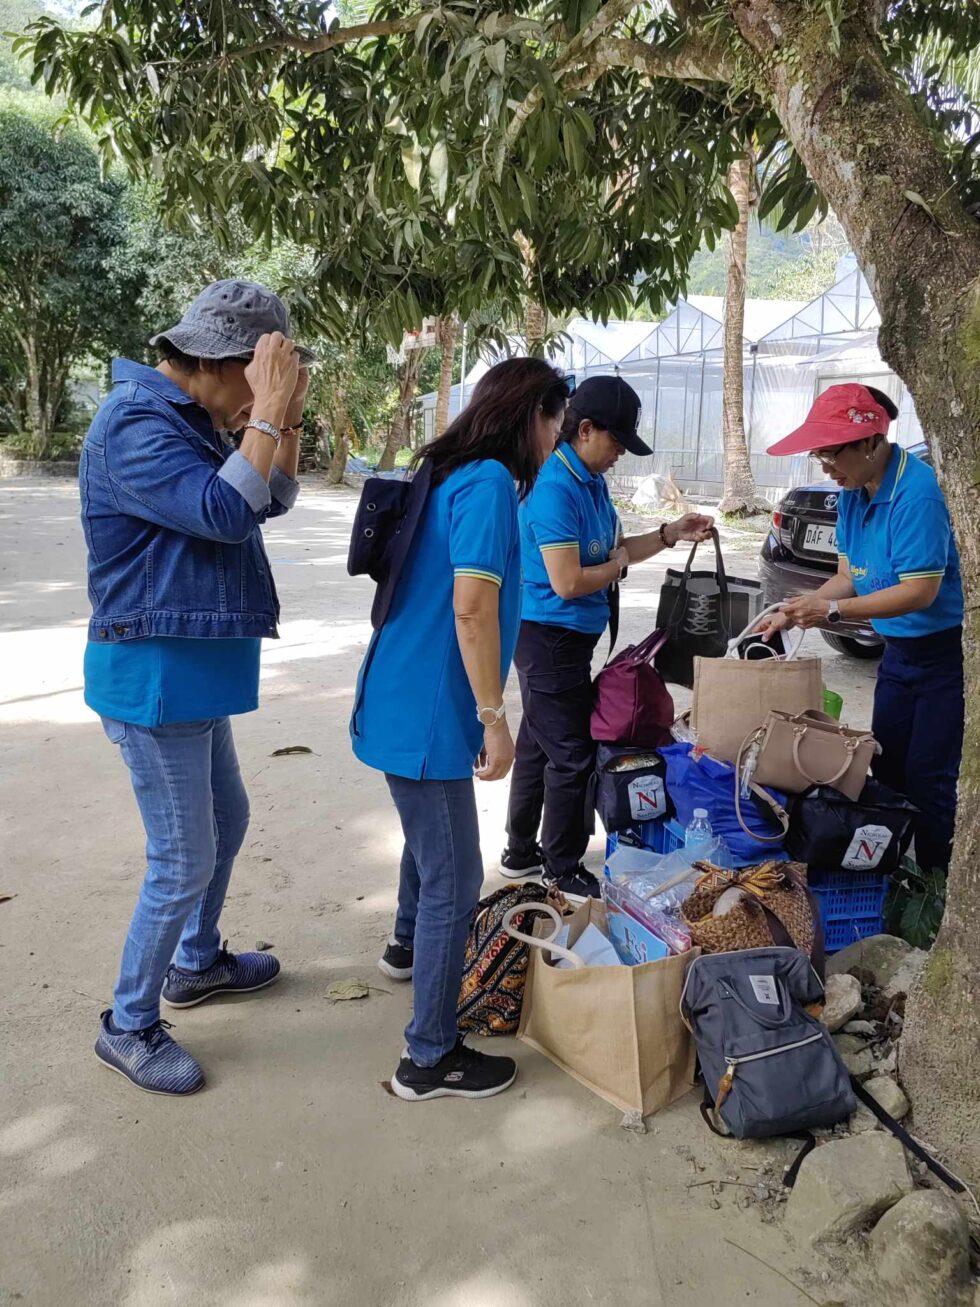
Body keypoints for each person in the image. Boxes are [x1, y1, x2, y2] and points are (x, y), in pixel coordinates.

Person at [82, 279, 314, 1095]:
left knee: (229, 818)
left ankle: (196, 962)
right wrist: (262, 415)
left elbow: (268, 498)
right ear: (220, 365)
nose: (253, 404)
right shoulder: (134, 424)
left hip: (192, 675)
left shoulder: (192, 421)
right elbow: (223, 511)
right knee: (182, 858)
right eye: (256, 382)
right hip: (154, 676)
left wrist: (279, 416)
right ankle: (129, 1022)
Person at [351, 357, 569, 1102]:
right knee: (456, 876)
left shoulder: (448, 472)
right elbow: (472, 607)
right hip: (427, 713)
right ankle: (430, 1055)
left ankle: (407, 946)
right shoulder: (485, 487)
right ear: (532, 415)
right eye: (557, 421)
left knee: (430, 845)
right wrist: (495, 718)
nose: (557, 438)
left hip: (402, 697)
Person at [501, 375, 713, 899]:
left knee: (537, 740)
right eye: (616, 442)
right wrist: (617, 569)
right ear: (585, 428)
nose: (620, 454)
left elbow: (613, 551)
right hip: (547, 637)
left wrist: (669, 535)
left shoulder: (591, 483)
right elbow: (569, 581)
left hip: (571, 639)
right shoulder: (554, 489)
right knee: (572, 756)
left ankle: (519, 849)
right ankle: (562, 867)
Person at [762, 383, 964, 871]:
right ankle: (892, 877)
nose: (827, 468)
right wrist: (798, 608)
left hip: (943, 657)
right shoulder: (854, 492)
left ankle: (935, 888)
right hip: (898, 654)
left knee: (930, 778)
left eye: (832, 455)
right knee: (886, 766)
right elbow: (848, 576)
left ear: (871, 442)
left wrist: (831, 614)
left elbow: (920, 592)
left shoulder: (918, 493)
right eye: (820, 457)